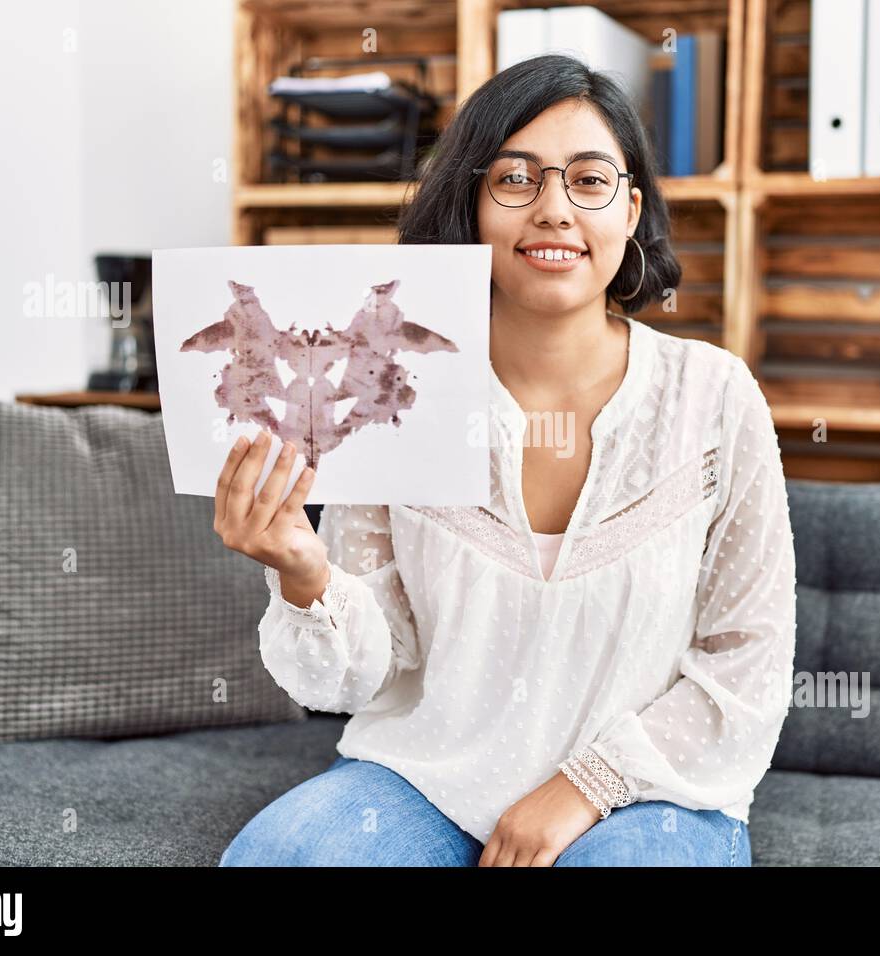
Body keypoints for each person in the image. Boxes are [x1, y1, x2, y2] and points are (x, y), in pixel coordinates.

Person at [215, 53, 796, 867]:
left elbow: (748, 668)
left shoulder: (716, 398)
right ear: (473, 204)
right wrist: (303, 573)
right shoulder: (395, 390)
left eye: (588, 181)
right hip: (431, 781)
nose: (554, 210)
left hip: (651, 794)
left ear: (629, 211)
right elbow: (359, 680)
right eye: (516, 179)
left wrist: (581, 788)